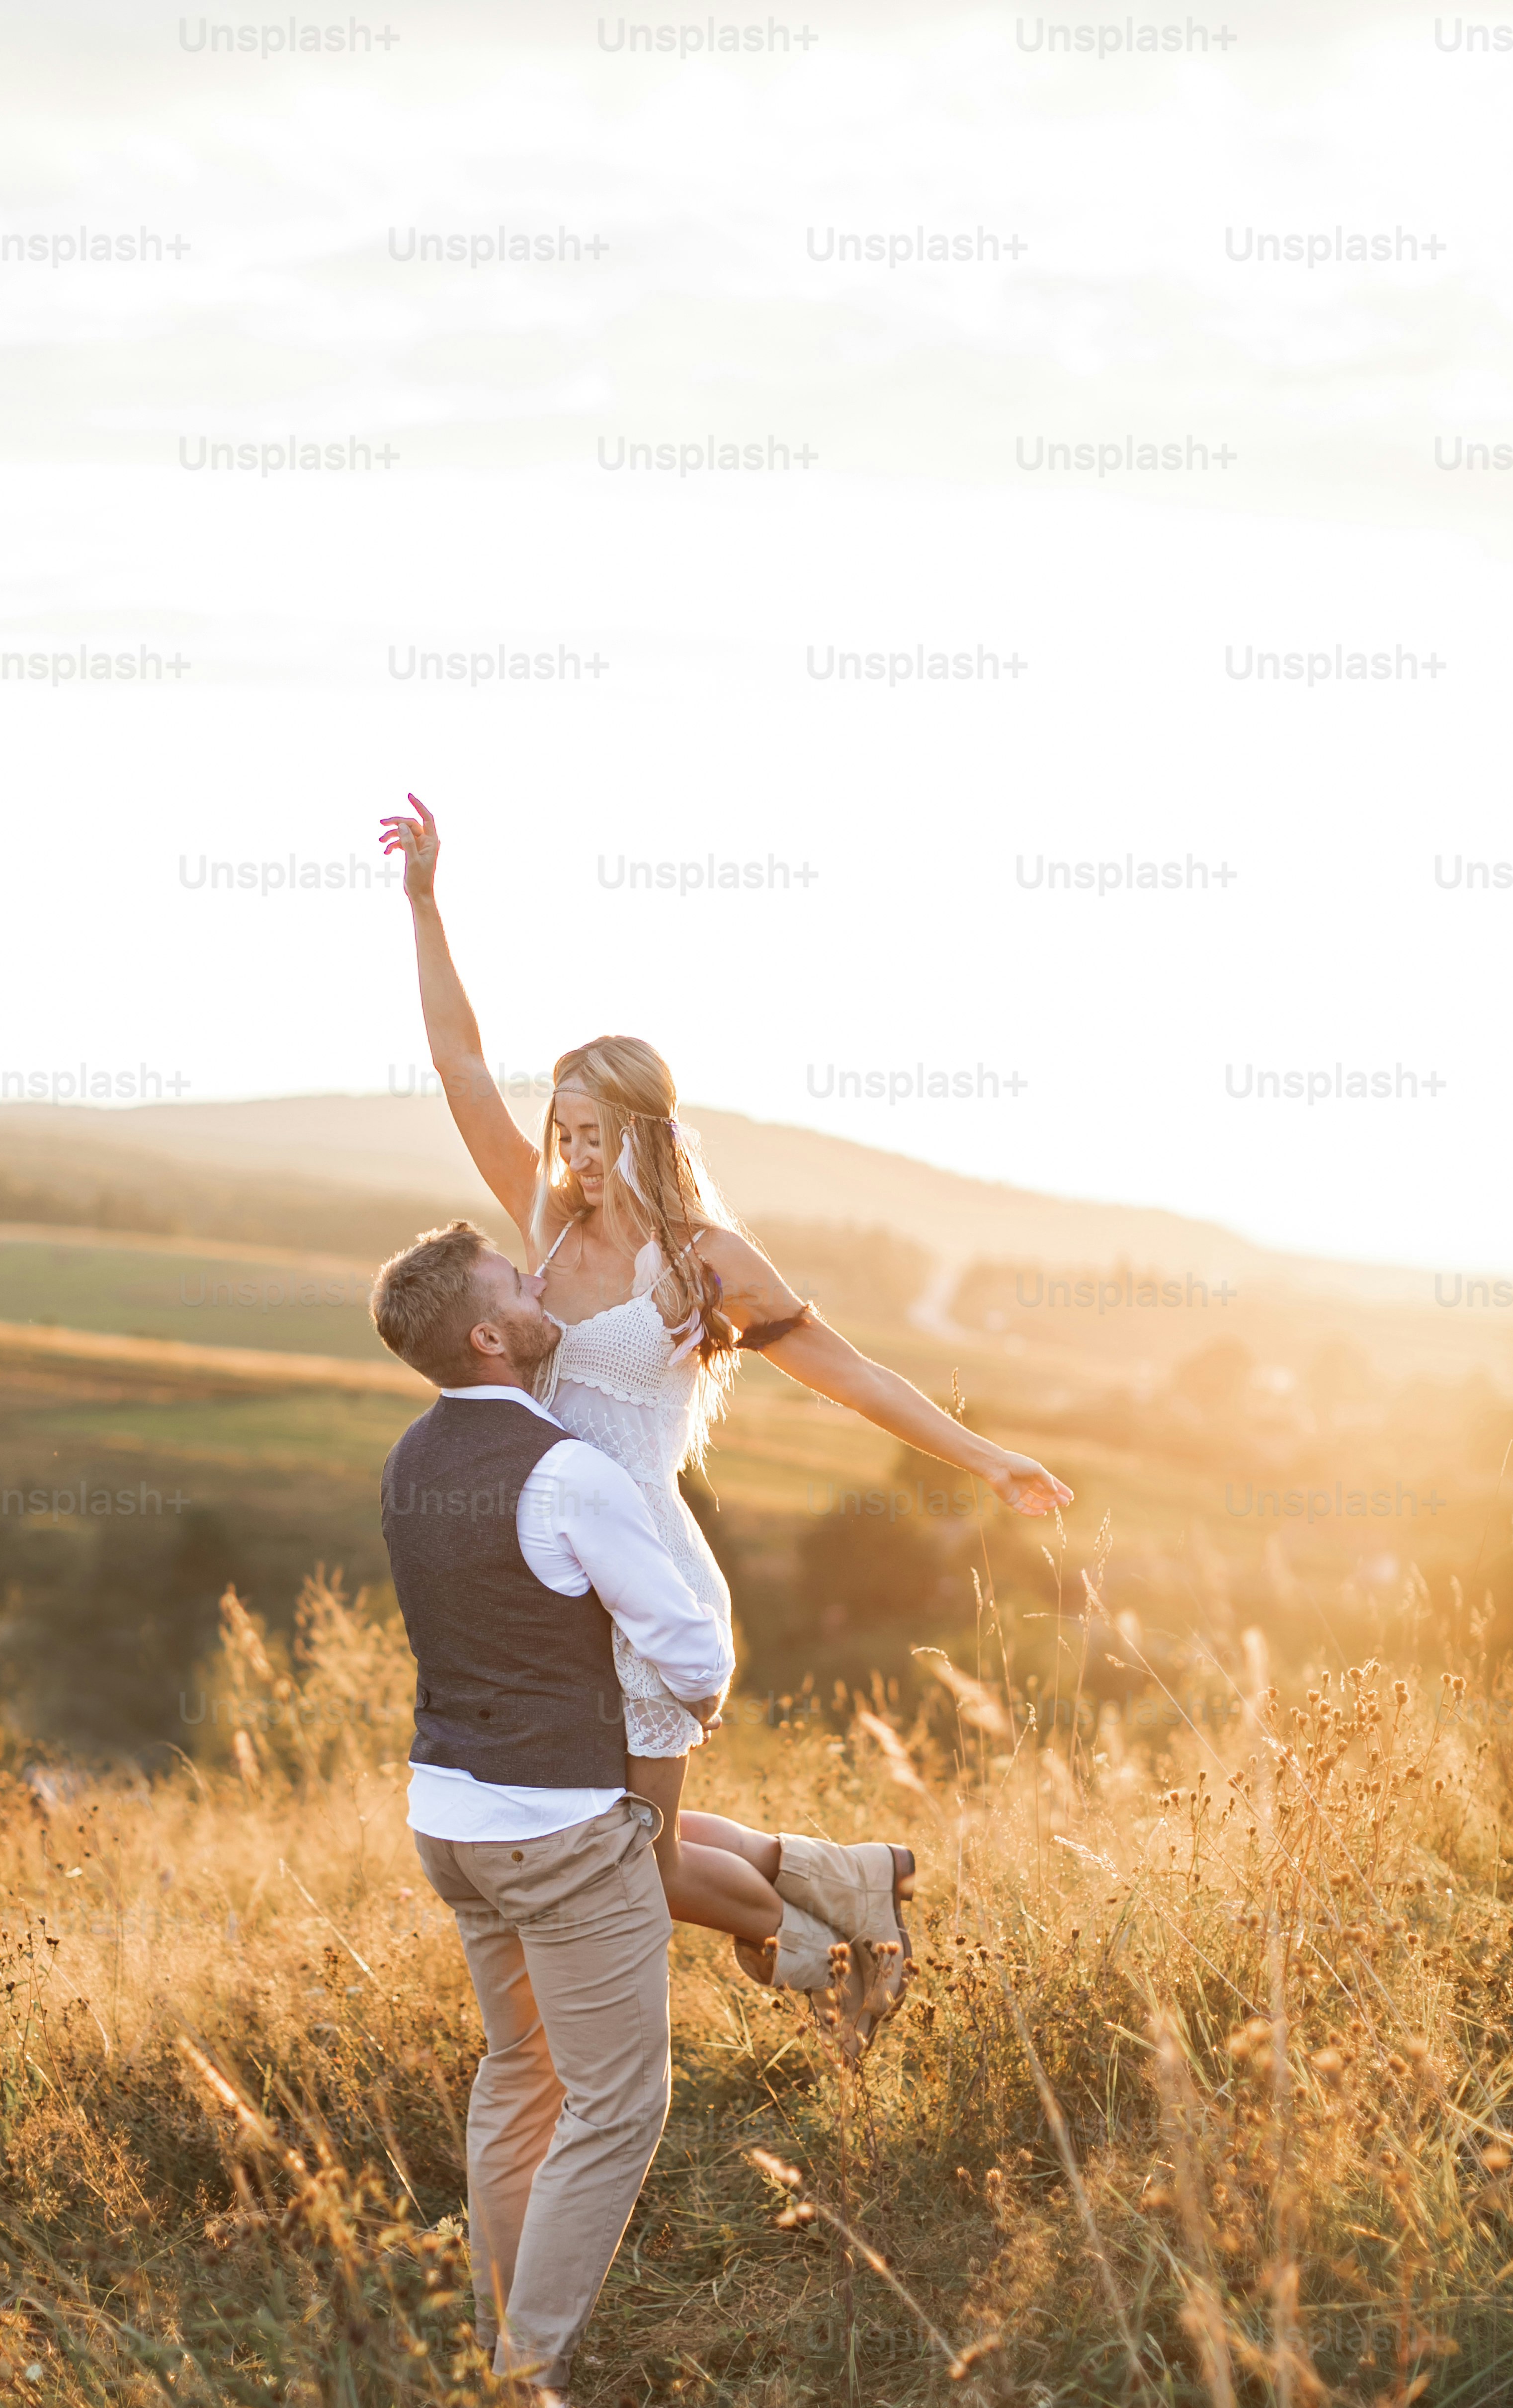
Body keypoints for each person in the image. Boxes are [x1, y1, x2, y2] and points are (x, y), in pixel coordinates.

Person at [376, 793, 1075, 2040]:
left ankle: (837, 1944)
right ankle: (840, 1884)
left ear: (643, 1129)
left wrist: (984, 1458)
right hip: (554, 1565)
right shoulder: (545, 1225)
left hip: (641, 1565)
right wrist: (425, 903)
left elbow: (850, 1372)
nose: (570, 1154)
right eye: (562, 1132)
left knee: (630, 1857)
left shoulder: (704, 1263)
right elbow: (459, 1068)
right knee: (601, 1825)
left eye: (592, 1134)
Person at [370, 1217, 799, 2396]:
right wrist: (701, 1700)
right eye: (515, 1281)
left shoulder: (408, 1459)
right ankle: (527, 2382)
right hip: (555, 1830)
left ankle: (493, 2348)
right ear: (488, 1336)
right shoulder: (566, 1472)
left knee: (520, 2075)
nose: (538, 1280)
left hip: (450, 1820)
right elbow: (688, 1640)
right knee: (615, 2107)